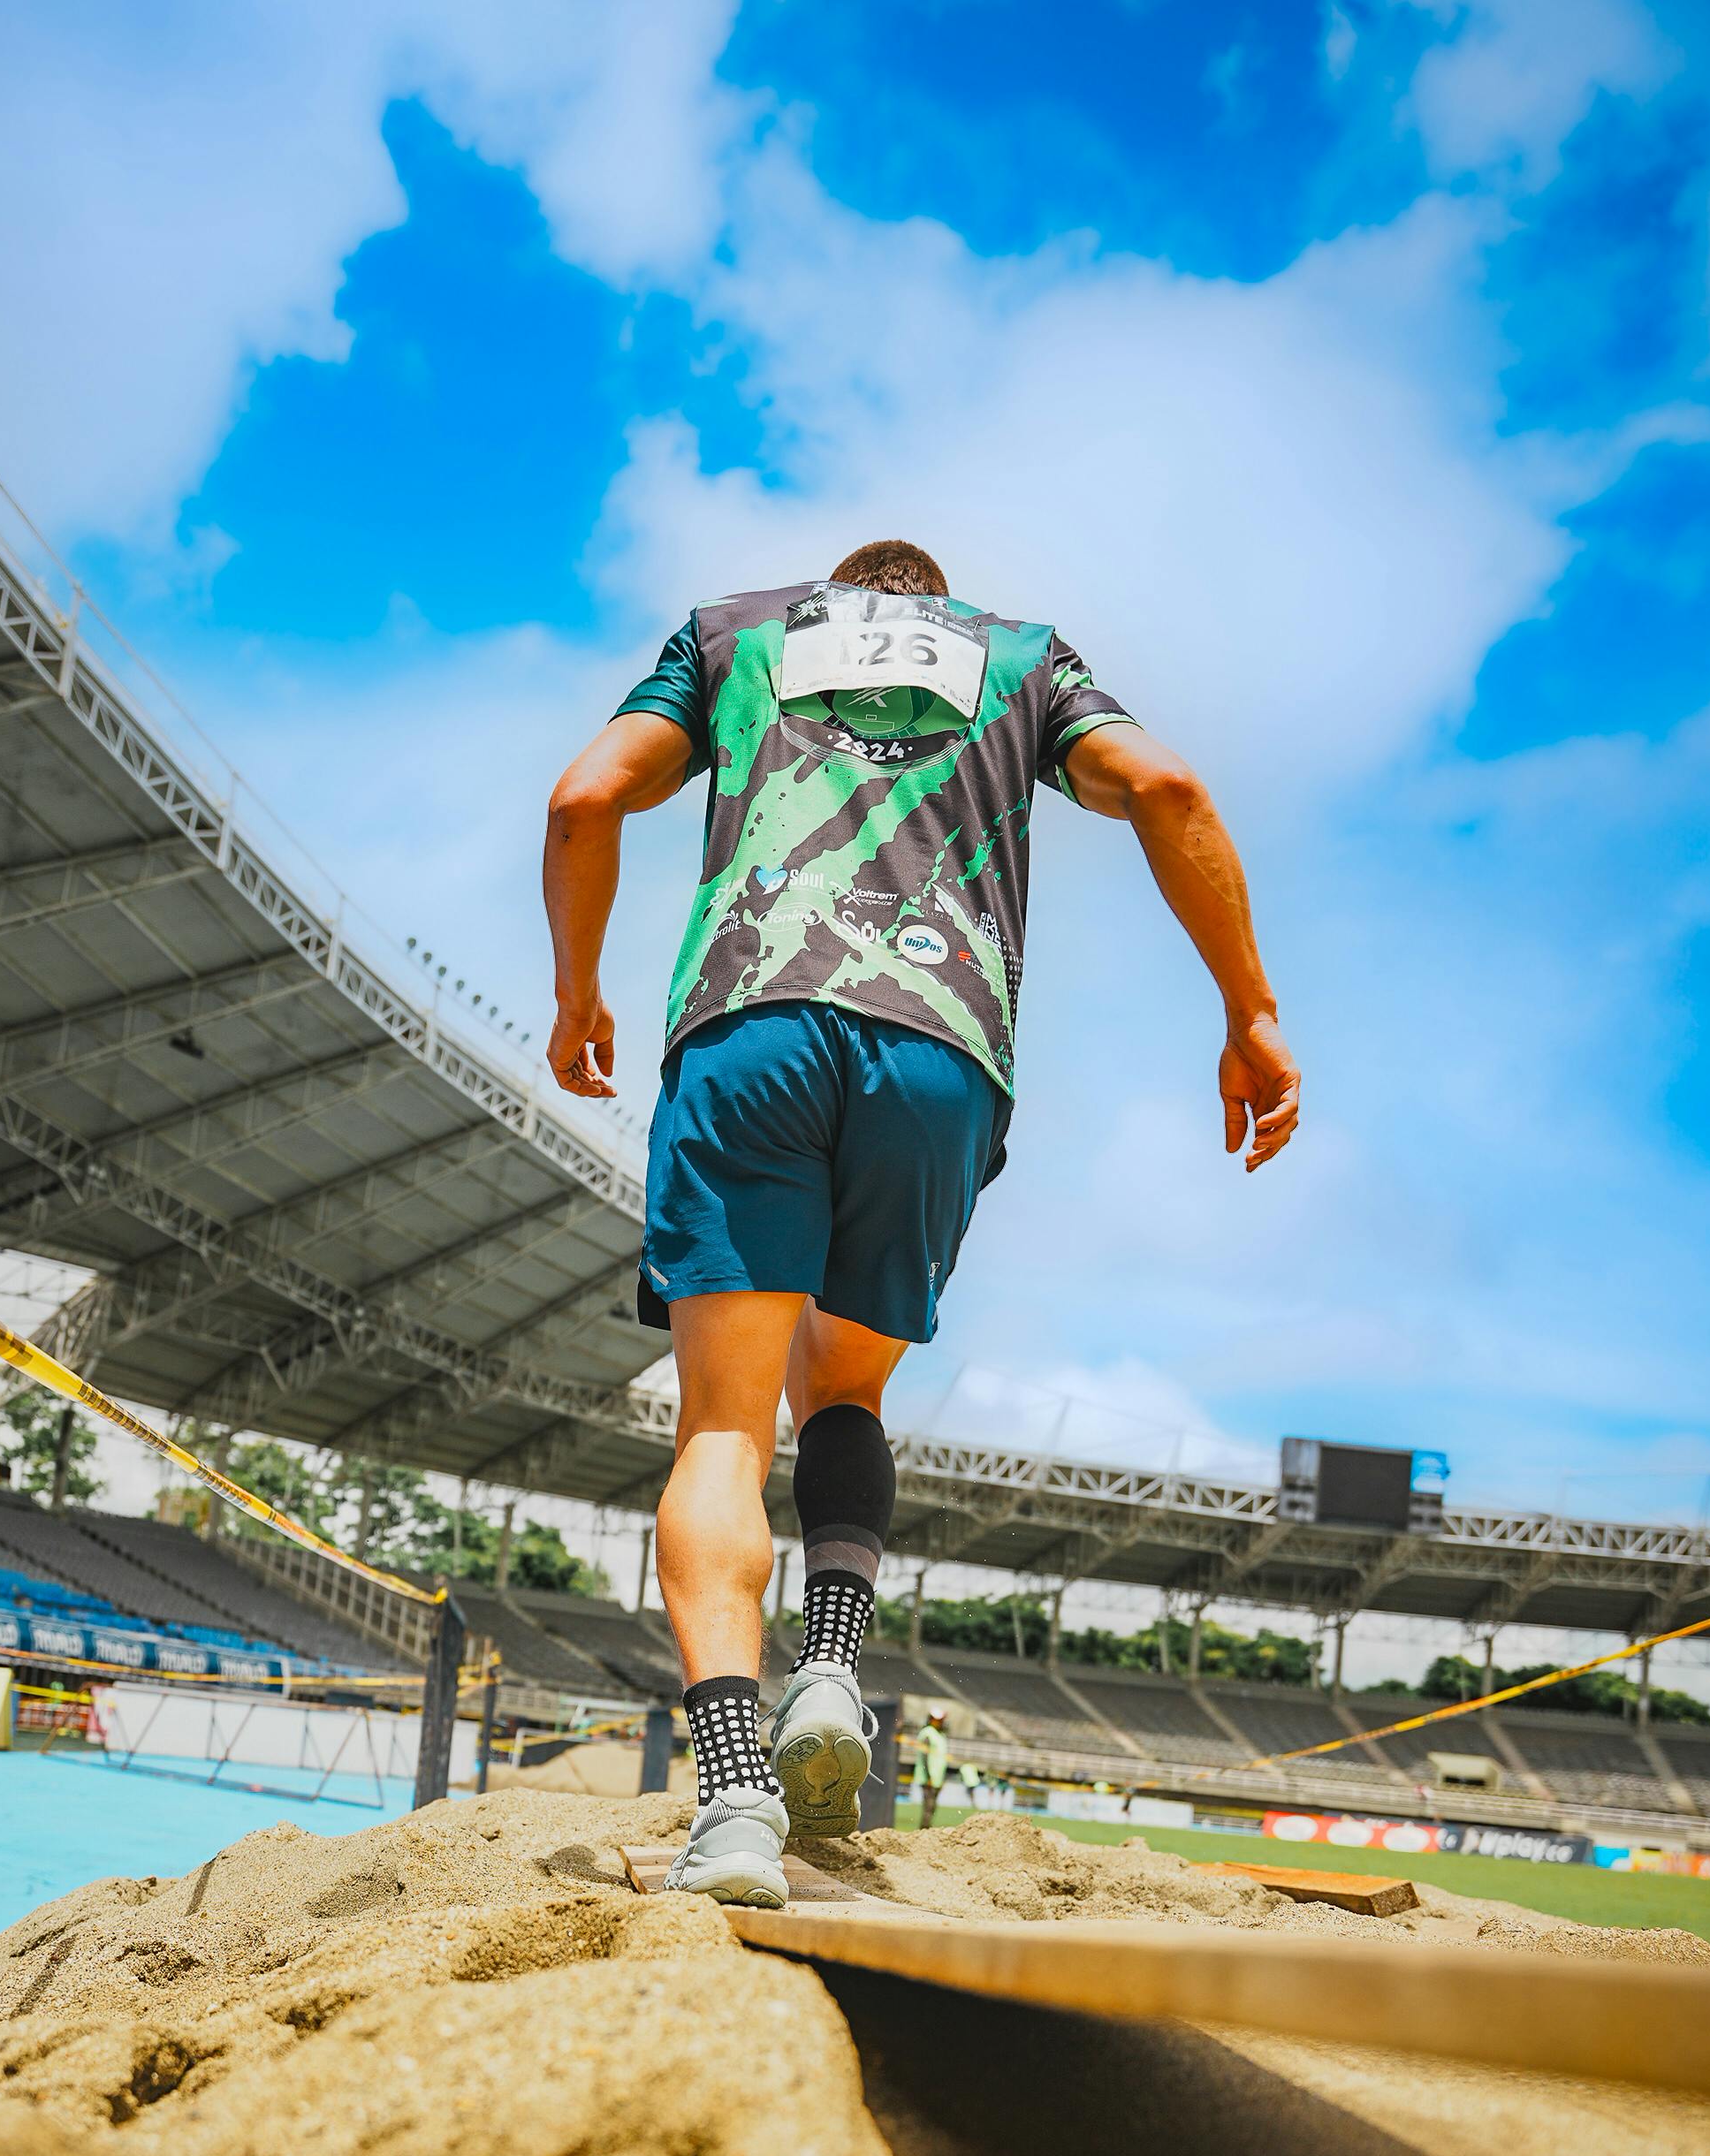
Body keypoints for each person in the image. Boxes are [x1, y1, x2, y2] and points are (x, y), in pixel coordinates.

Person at [543, 540, 1297, 1906]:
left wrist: (575, 992)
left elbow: (586, 797)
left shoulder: (732, 635)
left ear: (839, 594)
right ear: (934, 604)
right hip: (941, 1044)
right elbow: (1169, 789)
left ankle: (734, 1800)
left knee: (725, 1427)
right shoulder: (1024, 660)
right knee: (845, 1387)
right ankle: (832, 1664)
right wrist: (1249, 1011)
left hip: (753, 1019)